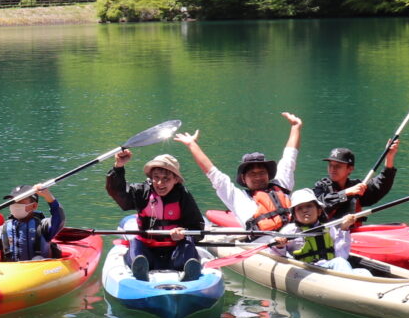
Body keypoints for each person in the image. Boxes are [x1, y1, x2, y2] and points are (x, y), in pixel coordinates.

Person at [176, 112, 302, 233]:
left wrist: (295, 127)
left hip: (295, 240)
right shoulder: (237, 197)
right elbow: (213, 173)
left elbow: (289, 159)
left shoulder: (281, 186)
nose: (258, 177)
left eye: (262, 172)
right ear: (243, 178)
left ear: (268, 174)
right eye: (252, 174)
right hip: (266, 248)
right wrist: (192, 145)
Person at [106, 150, 204, 281]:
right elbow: (118, 192)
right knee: (135, 245)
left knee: (188, 245)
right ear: (151, 178)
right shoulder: (142, 192)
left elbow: (198, 228)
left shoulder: (183, 196)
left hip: (175, 250)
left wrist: (184, 232)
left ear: (175, 180)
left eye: (166, 179)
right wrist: (118, 166)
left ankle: (188, 272)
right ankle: (140, 270)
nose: (159, 183)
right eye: (156, 177)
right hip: (147, 248)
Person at [312, 141, 398, 260]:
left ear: (350, 169)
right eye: (330, 165)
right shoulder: (321, 187)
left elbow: (381, 186)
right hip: (329, 238)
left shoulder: (357, 186)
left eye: (338, 166)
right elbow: (322, 204)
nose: (332, 169)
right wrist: (346, 193)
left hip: (353, 237)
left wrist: (389, 158)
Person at [273, 189, 357, 273]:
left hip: (329, 267)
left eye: (309, 206)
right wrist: (280, 246)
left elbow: (341, 255)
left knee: (363, 271)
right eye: (299, 208)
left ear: (319, 211)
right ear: (294, 215)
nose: (304, 210)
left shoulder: (328, 228)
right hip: (305, 270)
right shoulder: (290, 230)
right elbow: (277, 255)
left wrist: (344, 228)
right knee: (339, 262)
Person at [0, 184, 62, 261]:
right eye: (12, 202)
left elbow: (59, 219)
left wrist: (49, 197)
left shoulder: (43, 225)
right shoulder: (4, 228)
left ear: (34, 206)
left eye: (20, 201)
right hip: (13, 271)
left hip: (39, 269)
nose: (15, 205)